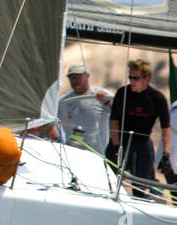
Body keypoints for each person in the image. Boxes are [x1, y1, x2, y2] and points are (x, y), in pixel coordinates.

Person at [108, 59, 173, 194]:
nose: (132, 81)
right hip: (121, 141)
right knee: (109, 179)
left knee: (141, 186)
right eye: (130, 77)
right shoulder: (122, 93)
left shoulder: (157, 98)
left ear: (146, 78)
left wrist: (166, 155)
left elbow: (165, 129)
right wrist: (116, 146)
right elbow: (114, 121)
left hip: (142, 144)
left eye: (136, 78)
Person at [58, 61, 111, 155]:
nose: (75, 80)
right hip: (73, 151)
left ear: (87, 76)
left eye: (78, 76)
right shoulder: (63, 101)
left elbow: (119, 113)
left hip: (97, 153)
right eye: (71, 77)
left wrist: (107, 101)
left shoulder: (102, 95)